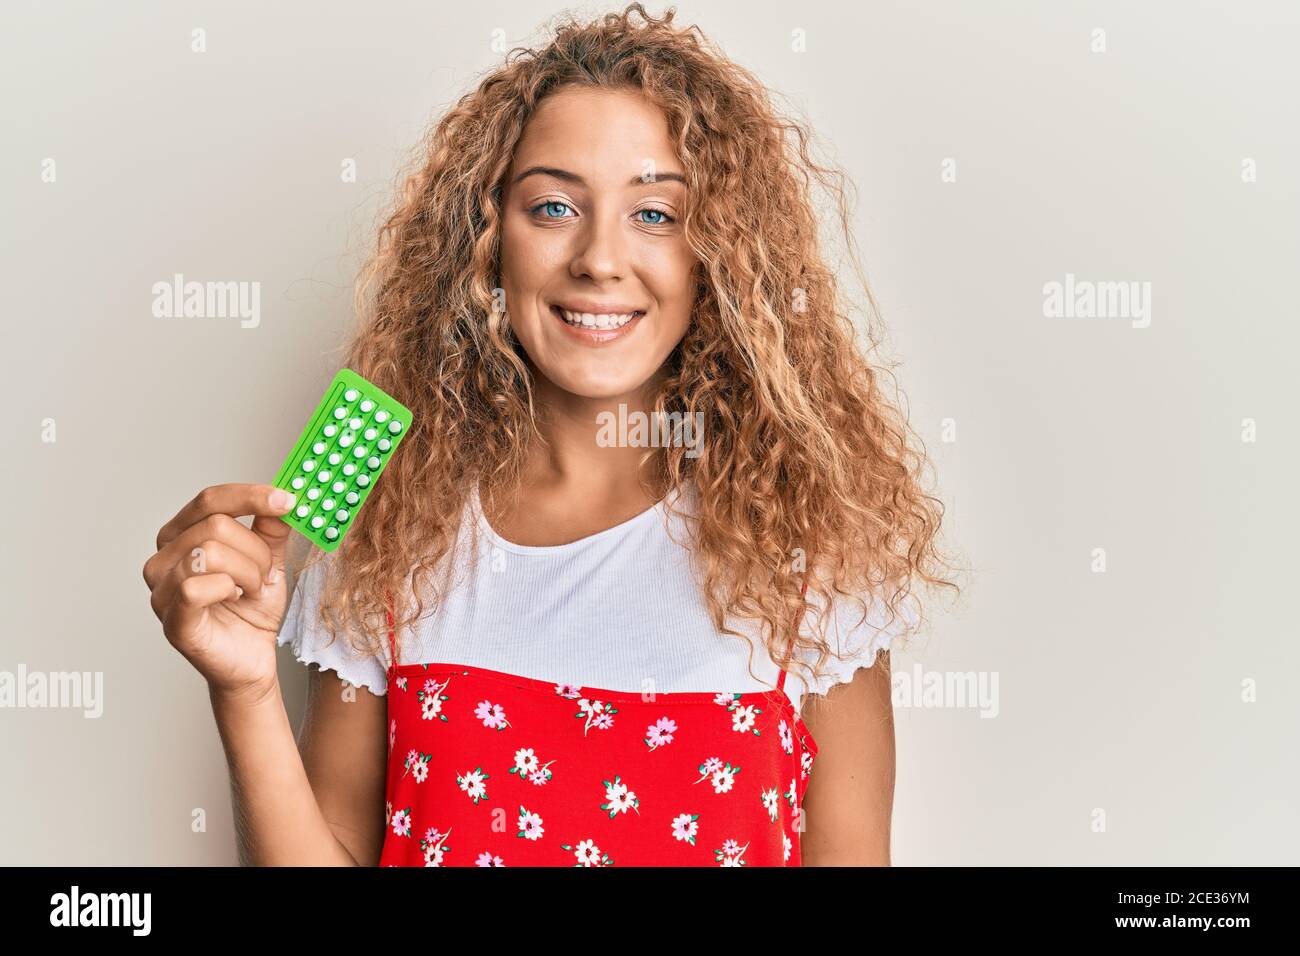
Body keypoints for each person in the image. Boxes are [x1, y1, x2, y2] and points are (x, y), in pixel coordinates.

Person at [142, 3, 953, 867]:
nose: (599, 258)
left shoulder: (812, 557)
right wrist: (246, 689)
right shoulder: (388, 539)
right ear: (487, 244)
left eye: (655, 214)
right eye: (555, 206)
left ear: (716, 255)